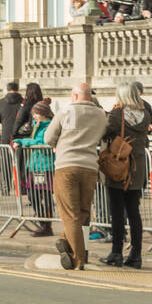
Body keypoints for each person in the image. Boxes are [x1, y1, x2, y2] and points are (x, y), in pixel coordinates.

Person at [44, 82, 106, 269]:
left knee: (70, 214)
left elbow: (48, 138)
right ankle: (65, 240)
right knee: (82, 212)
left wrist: (58, 143)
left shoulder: (66, 112)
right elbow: (102, 138)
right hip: (89, 167)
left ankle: (77, 259)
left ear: (75, 96)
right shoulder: (101, 115)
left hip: (66, 165)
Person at [100, 81, 152, 267]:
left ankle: (116, 253)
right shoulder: (145, 114)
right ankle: (136, 255)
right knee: (133, 212)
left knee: (117, 212)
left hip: (119, 167)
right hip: (137, 168)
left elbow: (102, 132)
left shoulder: (117, 114)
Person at [15, 100, 55, 236]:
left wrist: (21, 141)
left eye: (37, 113)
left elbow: (42, 142)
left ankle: (47, 226)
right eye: (34, 114)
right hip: (34, 165)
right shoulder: (36, 125)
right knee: (33, 195)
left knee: (44, 194)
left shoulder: (49, 126)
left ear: (44, 114)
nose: (34, 116)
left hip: (44, 165)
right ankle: (43, 222)